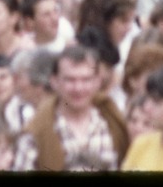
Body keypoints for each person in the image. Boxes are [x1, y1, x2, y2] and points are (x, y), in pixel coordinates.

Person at [15, 42, 131, 171]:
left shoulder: (114, 125)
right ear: (54, 81)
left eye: (85, 79)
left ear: (98, 81)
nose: (78, 88)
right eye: (70, 80)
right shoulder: (35, 134)